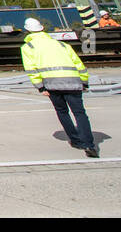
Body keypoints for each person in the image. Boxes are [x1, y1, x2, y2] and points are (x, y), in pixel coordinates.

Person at [20, 17, 98, 157]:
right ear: (42, 28)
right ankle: (89, 145)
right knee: (80, 114)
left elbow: (31, 69)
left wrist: (40, 87)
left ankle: (75, 141)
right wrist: (84, 82)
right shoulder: (62, 45)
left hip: (52, 84)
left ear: (27, 31)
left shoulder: (28, 47)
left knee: (62, 112)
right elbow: (79, 64)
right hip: (73, 83)